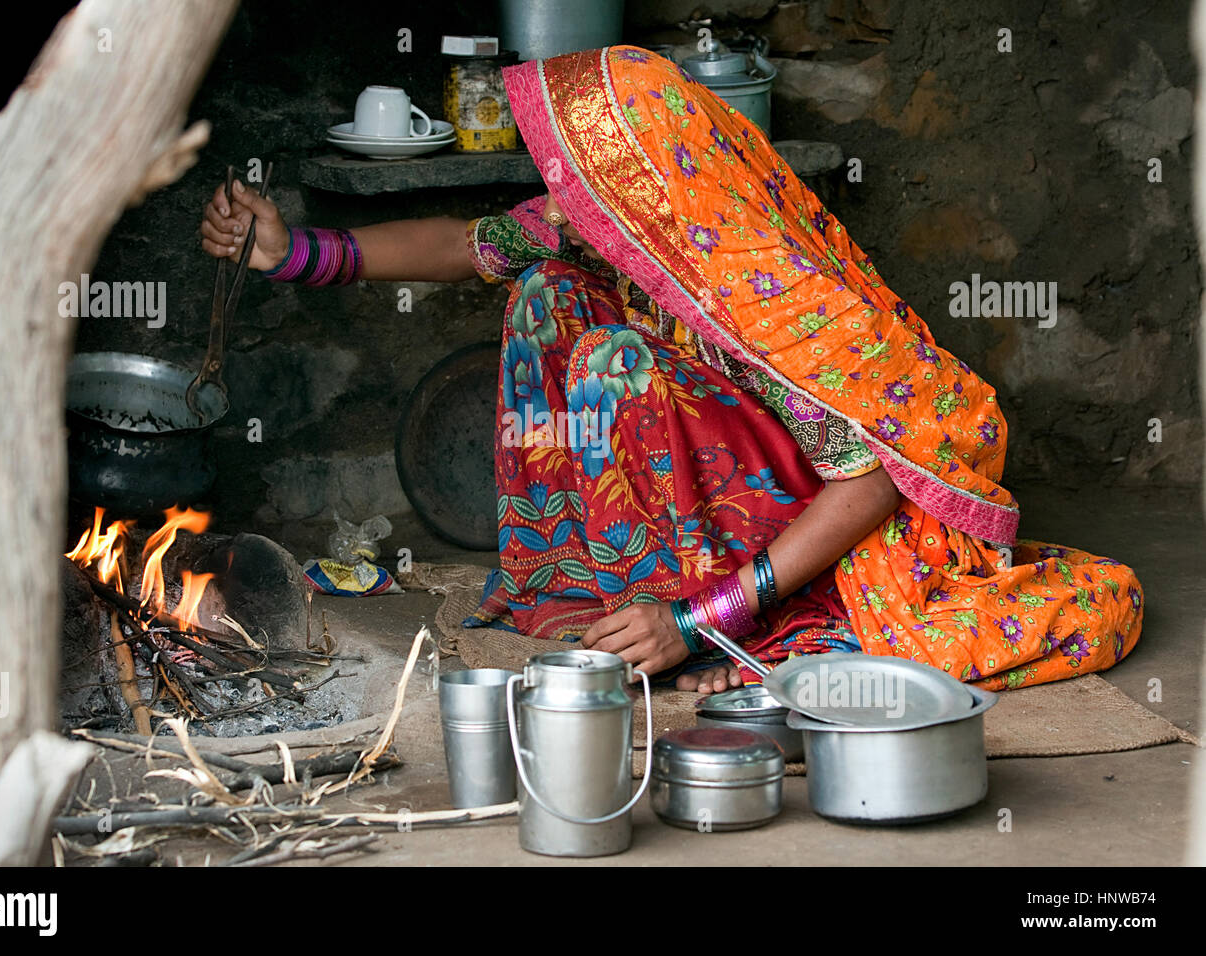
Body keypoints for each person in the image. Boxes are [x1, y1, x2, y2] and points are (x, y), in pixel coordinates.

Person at [200, 46, 1143, 695]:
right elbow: (464, 244)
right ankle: (622, 590)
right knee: (550, 295)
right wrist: (292, 253)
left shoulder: (763, 289)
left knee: (1102, 607)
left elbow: (867, 488)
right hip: (724, 491)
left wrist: (698, 621)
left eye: (579, 180)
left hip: (839, 525)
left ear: (648, 180)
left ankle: (716, 627)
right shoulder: (617, 218)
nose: (564, 199)